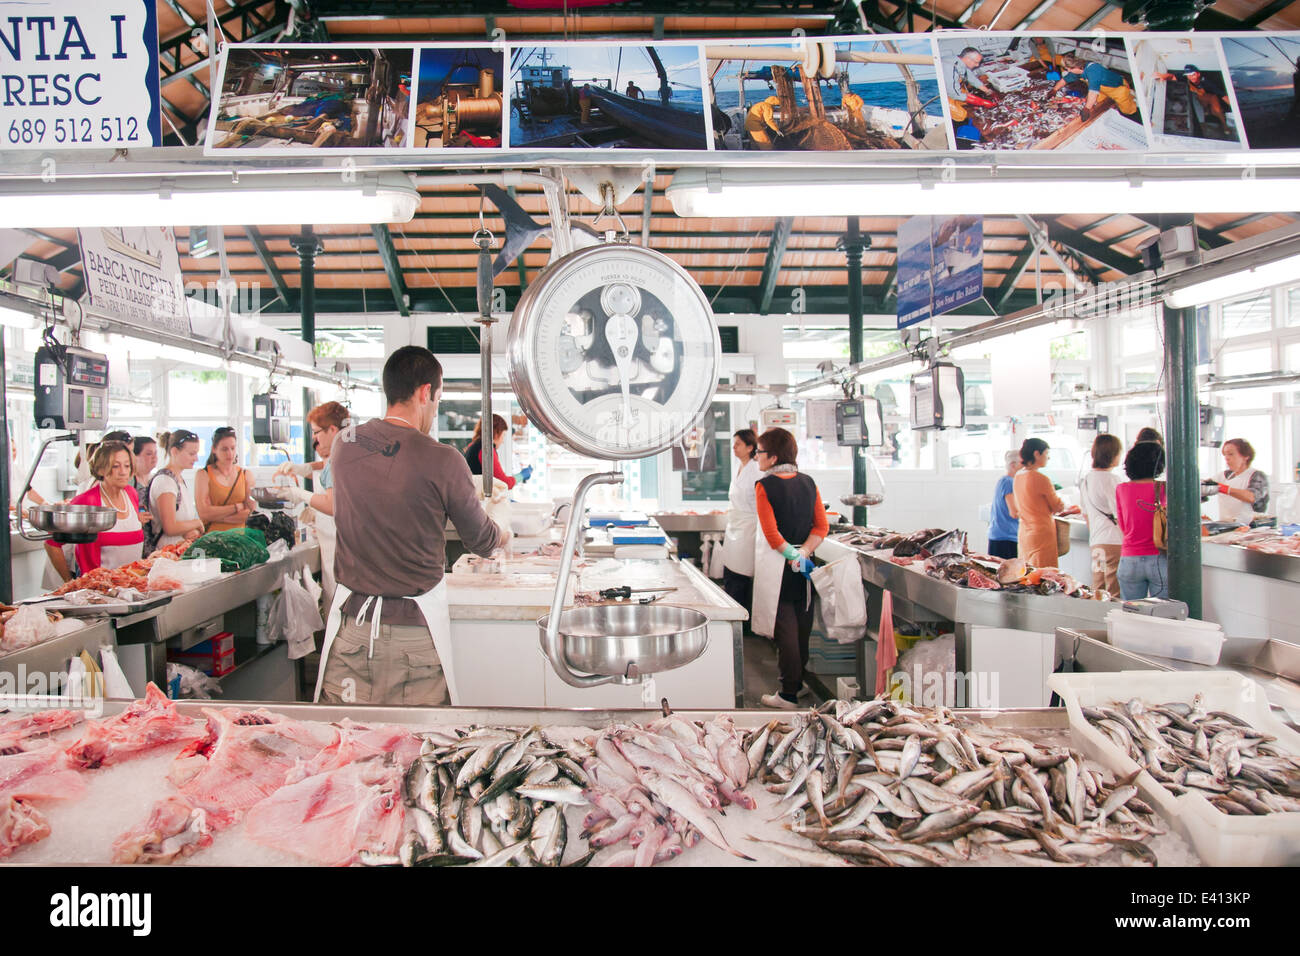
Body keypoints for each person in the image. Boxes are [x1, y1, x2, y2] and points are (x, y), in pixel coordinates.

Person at [317, 346, 509, 707]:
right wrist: (504, 532)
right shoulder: (443, 459)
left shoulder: (345, 444)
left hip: (350, 633)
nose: (435, 410)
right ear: (425, 393)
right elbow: (482, 540)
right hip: (413, 640)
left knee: (351, 745)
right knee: (415, 752)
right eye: (437, 399)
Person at [751, 427, 828, 710]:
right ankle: (800, 683)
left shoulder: (764, 486)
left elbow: (772, 535)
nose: (756, 458)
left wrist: (791, 555)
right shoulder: (808, 482)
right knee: (803, 623)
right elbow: (822, 526)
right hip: (805, 563)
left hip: (780, 565)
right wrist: (804, 553)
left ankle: (787, 694)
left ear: (771, 457)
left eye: (759, 452)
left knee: (786, 630)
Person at [277, 401, 350, 609]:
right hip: (338, 542)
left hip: (340, 545)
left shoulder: (339, 458)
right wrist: (303, 468)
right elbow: (324, 466)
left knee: (339, 606)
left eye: (317, 432)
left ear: (332, 430)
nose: (315, 439)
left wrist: (300, 494)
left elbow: (332, 504)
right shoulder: (347, 450)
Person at [46, 441, 144, 581]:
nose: (123, 472)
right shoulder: (86, 501)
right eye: (115, 466)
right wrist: (70, 583)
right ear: (101, 469)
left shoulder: (131, 493)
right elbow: (52, 544)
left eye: (127, 465)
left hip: (131, 585)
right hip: (97, 590)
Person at [1012, 438, 1079, 568]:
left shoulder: (1018, 476)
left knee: (1027, 573)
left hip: (1025, 532)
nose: (1048, 458)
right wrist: (1064, 503)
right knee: (1044, 574)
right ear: (1037, 454)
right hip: (1041, 533)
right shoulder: (1041, 479)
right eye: (1047, 454)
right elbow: (1057, 506)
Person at [1115, 441, 1168, 600]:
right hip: (1159, 559)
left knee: (1132, 617)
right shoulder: (1165, 488)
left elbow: (1123, 525)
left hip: (1129, 559)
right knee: (1164, 617)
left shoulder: (1122, 489)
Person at [720, 429, 761, 630]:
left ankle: (742, 625)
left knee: (741, 577)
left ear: (750, 447)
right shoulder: (739, 467)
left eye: (738, 444)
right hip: (735, 526)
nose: (734, 447)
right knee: (730, 572)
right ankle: (733, 620)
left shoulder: (756, 469)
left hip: (749, 528)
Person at [1077, 433, 1124, 597]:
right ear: (1113, 455)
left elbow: (1085, 514)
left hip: (1097, 542)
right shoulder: (1112, 479)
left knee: (1098, 587)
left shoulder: (1086, 480)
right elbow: (1120, 513)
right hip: (1114, 541)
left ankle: (1096, 620)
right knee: (1113, 590)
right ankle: (1111, 622)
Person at [148, 430, 205, 550]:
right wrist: (197, 523)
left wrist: (192, 531)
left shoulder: (178, 479)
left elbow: (181, 523)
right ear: (174, 451)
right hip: (166, 553)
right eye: (192, 454)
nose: (196, 459)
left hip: (180, 549)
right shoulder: (165, 481)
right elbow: (170, 527)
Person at [194, 426, 256, 533]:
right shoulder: (203, 474)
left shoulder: (245, 475)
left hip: (240, 540)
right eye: (224, 449)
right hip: (212, 539)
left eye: (233, 448)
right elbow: (204, 513)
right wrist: (236, 507)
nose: (230, 454)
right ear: (214, 449)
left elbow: (250, 513)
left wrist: (217, 516)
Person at [1206, 438, 1269, 525]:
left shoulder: (1257, 475)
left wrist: (1223, 488)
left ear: (1246, 456)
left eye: (1231, 454)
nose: (1226, 458)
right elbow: (1204, 486)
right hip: (1226, 526)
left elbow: (1252, 497)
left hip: (1249, 528)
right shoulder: (1224, 475)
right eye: (1225, 455)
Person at [1052, 54, 1138, 118]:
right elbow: (1065, 80)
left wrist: (1087, 109)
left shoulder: (1093, 70)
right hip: (1101, 89)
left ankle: (1133, 110)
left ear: (1074, 67)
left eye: (1068, 69)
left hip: (1117, 88)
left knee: (1127, 110)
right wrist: (1054, 90)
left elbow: (1093, 92)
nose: (1068, 71)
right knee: (1095, 103)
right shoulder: (1077, 71)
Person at [464, 414, 531, 490]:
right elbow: (503, 483)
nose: (502, 441)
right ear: (496, 433)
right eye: (503, 435)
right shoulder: (486, 450)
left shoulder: (474, 445)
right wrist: (522, 475)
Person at [987, 449, 1022, 560]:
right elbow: (1014, 512)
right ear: (1013, 465)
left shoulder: (1003, 480)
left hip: (999, 535)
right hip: (1006, 537)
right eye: (1023, 462)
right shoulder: (1009, 482)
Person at [948, 47, 997, 124]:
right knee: (961, 115)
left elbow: (971, 78)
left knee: (965, 102)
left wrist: (987, 90)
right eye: (976, 62)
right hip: (947, 92)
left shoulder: (959, 62)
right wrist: (983, 102)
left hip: (955, 87)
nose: (977, 65)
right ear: (967, 59)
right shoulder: (950, 69)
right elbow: (956, 94)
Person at [131, 435, 158, 532]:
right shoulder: (129, 483)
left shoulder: (156, 480)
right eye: (149, 454)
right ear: (135, 456)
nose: (155, 457)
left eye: (156, 453)